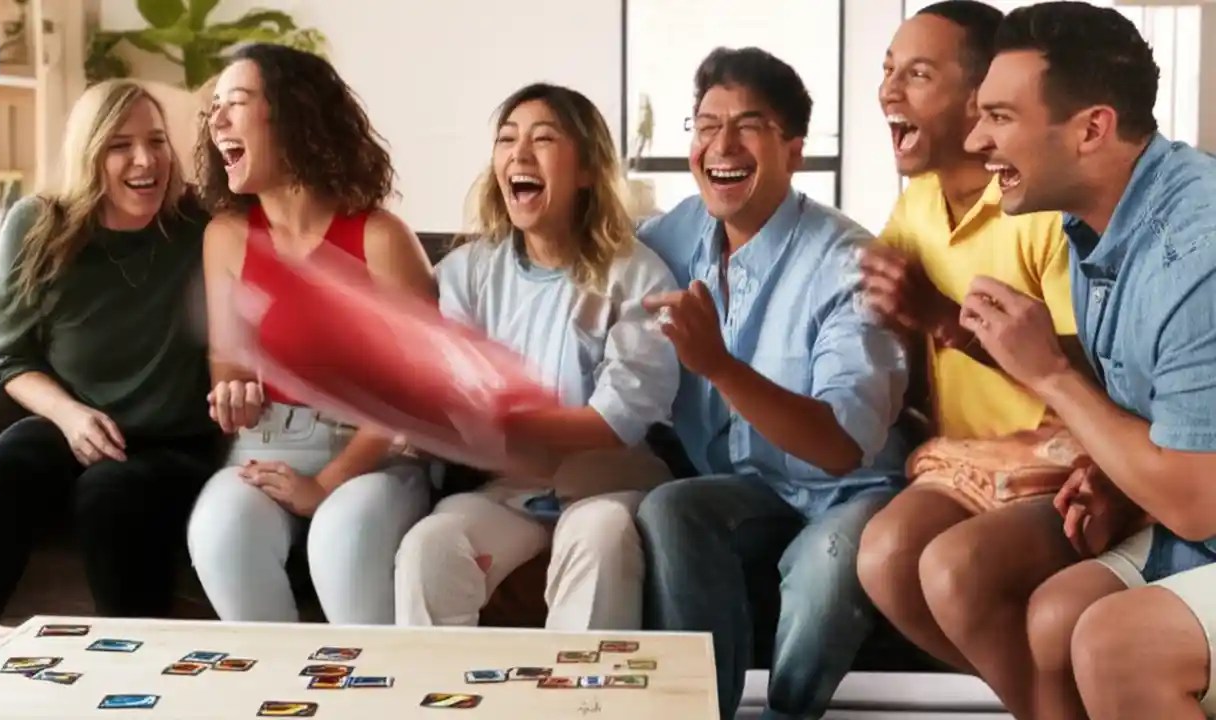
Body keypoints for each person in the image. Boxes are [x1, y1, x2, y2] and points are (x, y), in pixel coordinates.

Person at [940, 4, 1216, 719]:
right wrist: (1117, 478)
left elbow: (1194, 498)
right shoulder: (1094, 218)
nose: (976, 139)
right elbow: (1169, 416)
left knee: (1110, 641)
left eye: (1000, 116)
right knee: (1057, 613)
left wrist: (1049, 373)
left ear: (1092, 128)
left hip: (1204, 511)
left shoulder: (1197, 254)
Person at [633, 47, 909, 720]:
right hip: (747, 486)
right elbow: (589, 257)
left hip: (848, 489)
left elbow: (842, 446)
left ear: (794, 151)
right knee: (671, 507)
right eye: (706, 125)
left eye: (748, 126)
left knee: (830, 563)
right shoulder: (676, 235)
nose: (721, 145)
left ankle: (790, 712)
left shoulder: (848, 261)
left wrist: (720, 366)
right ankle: (700, 712)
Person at [854, 0, 1090, 683]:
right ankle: (1043, 699)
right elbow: (878, 322)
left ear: (981, 102)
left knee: (951, 570)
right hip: (966, 459)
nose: (889, 91)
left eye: (917, 74)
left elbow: (1092, 369)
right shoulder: (916, 203)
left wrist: (942, 319)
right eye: (888, 70)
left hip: (1063, 455)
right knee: (882, 556)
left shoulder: (1044, 209)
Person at [0, 79, 223, 667]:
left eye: (157, 141)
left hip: (174, 439)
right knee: (0, 471)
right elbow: (6, 356)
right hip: (77, 418)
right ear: (88, 153)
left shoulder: (199, 224)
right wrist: (70, 415)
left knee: (110, 494)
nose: (145, 160)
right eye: (119, 145)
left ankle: (136, 668)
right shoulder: (38, 225)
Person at [392, 83, 678, 631]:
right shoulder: (467, 272)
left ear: (588, 170)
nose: (519, 154)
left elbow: (620, 416)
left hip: (607, 485)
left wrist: (508, 424)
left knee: (598, 538)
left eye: (543, 139)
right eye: (506, 140)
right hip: (507, 491)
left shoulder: (637, 274)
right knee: (430, 548)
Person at [186, 44, 435, 625]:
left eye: (237, 103)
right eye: (214, 107)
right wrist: (233, 391)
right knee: (220, 532)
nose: (216, 120)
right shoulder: (226, 236)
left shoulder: (380, 237)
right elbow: (227, 357)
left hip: (373, 453)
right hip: (266, 444)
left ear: (294, 116)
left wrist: (326, 483)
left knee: (342, 539)